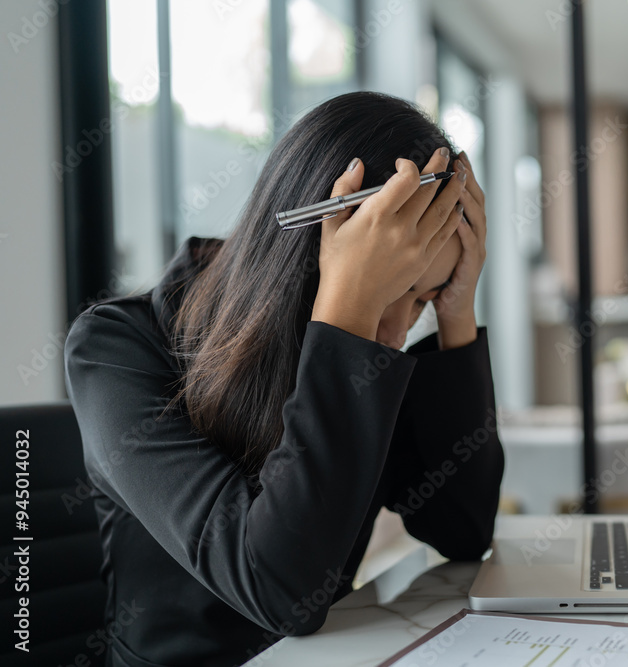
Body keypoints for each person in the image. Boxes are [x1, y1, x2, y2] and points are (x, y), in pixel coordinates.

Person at [63, 91, 505, 667]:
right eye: (389, 292)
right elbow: (279, 592)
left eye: (421, 298)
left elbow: (463, 530)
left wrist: (455, 311)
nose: (398, 329)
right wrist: (350, 309)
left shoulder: (364, 346)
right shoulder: (114, 348)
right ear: (310, 253)